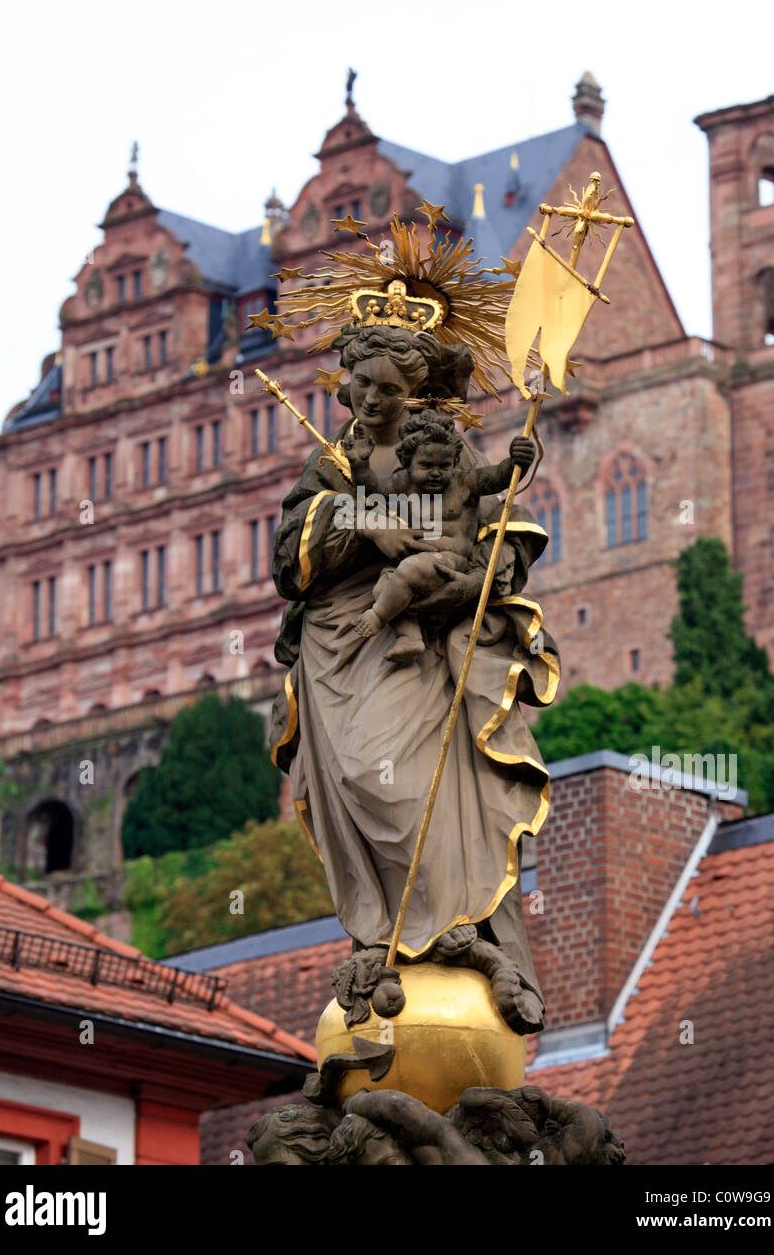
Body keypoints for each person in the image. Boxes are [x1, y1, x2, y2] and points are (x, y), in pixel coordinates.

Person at [269, 324, 559, 1023]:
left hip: (425, 640)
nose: (370, 400)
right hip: (344, 647)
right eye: (360, 385)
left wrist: (481, 573)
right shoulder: (336, 461)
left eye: (388, 390)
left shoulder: (442, 448)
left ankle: (454, 930)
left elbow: (497, 518)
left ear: (415, 393)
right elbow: (287, 562)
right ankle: (390, 933)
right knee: (361, 779)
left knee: (414, 784)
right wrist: (366, 519)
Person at [345, 410, 538, 664]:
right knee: (384, 586)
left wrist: (517, 461)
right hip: (416, 565)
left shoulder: (465, 483)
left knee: (407, 572)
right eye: (426, 466)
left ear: (455, 462)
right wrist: (360, 465)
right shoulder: (403, 483)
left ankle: (376, 618)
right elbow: (372, 490)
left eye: (444, 466)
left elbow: (498, 478)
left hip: (450, 561)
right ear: (407, 462)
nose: (436, 473)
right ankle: (410, 636)